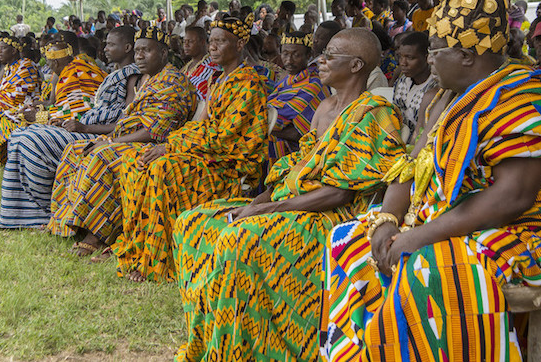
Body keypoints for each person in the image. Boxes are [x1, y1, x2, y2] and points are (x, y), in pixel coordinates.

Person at [321, 0, 541, 362]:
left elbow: (512, 198)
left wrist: (418, 236)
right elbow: (412, 167)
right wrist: (389, 219)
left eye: (436, 50)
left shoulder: (528, 97)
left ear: (467, 55)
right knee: (350, 239)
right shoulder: (450, 99)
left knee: (428, 267)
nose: (428, 59)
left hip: (529, 236)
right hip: (453, 219)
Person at [171, 27, 405, 361]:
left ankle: (253, 346)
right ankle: (213, 336)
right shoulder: (324, 107)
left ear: (356, 65)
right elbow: (298, 166)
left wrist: (267, 211)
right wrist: (259, 201)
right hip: (292, 199)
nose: (319, 61)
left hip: (330, 216)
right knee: (192, 222)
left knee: (241, 239)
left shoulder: (376, 113)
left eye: (329, 55)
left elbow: (339, 193)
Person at [112, 14, 269, 283]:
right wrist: (170, 145)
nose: (213, 47)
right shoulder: (219, 81)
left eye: (221, 41)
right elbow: (201, 127)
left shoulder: (247, 83)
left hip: (229, 164)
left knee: (162, 168)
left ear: (240, 44)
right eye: (212, 41)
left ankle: (161, 260)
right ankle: (140, 250)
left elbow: (224, 137)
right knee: (134, 163)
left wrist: (170, 147)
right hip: (208, 155)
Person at [46, 27, 197, 256]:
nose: (139, 56)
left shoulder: (172, 82)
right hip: (128, 138)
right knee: (75, 149)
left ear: (164, 53)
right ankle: (68, 222)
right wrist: (107, 137)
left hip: (154, 146)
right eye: (137, 51)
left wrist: (111, 143)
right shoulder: (149, 80)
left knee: (102, 157)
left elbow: (154, 131)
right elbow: (130, 120)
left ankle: (96, 234)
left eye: (146, 50)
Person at [0, 26, 140, 230]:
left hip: (94, 132)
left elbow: (127, 121)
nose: (104, 48)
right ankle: (26, 215)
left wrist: (86, 128)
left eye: (110, 44)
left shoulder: (131, 76)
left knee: (29, 139)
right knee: (21, 133)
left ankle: (45, 210)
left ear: (127, 48)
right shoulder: (112, 74)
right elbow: (83, 105)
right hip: (85, 125)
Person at [267, 31, 331, 167]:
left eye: (296, 55)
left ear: (309, 56)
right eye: (285, 54)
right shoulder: (287, 79)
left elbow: (300, 133)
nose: (289, 60)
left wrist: (263, 124)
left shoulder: (314, 84)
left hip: (296, 155)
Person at [0, 36, 41, 161]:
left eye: (3, 48)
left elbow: (18, 95)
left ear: (14, 51)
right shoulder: (9, 68)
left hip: (23, 105)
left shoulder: (26, 65)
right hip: (7, 103)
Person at [391, 31, 438, 142]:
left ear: (427, 57)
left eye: (410, 58)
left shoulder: (435, 87)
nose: (403, 63)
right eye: (401, 57)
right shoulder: (402, 81)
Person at [180, 25, 220, 101]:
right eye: (184, 41)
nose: (186, 45)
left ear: (202, 42)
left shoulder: (211, 66)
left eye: (190, 41)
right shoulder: (188, 65)